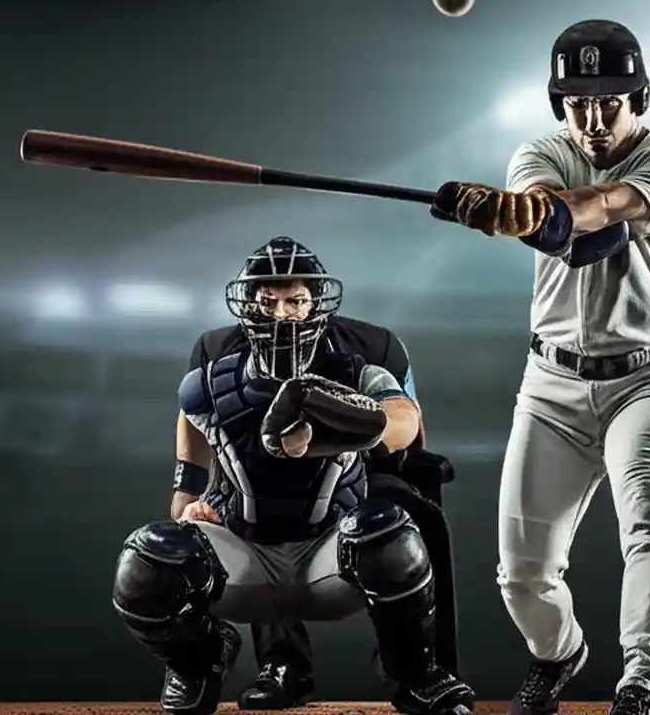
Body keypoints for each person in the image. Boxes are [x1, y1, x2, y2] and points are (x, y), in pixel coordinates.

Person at [430, 19, 650, 715]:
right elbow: (551, 231)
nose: (593, 116)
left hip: (649, 382)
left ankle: (646, 682)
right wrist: (503, 210)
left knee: (649, 515)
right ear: (560, 103)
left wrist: (524, 214)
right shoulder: (540, 151)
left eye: (609, 99)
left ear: (638, 95)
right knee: (520, 573)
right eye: (578, 101)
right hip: (550, 387)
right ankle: (558, 655)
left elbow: (595, 223)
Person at [112, 236, 475, 715]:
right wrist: (192, 509)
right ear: (249, 304)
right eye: (269, 301)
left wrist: (352, 420)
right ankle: (203, 660)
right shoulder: (211, 370)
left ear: (316, 301)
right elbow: (190, 458)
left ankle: (416, 672)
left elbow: (404, 425)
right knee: (148, 557)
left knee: (391, 529)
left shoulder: (361, 357)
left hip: (341, 515)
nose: (283, 315)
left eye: (296, 301)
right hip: (248, 521)